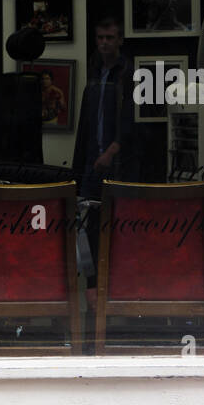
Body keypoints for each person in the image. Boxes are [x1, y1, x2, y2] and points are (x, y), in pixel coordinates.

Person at [73, 15, 138, 273]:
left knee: (119, 225)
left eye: (109, 38)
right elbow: (87, 118)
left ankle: (118, 284)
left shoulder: (129, 72)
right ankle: (92, 288)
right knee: (90, 227)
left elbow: (133, 119)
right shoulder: (94, 69)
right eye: (100, 38)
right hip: (92, 159)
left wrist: (112, 150)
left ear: (120, 40)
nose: (104, 43)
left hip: (118, 161)